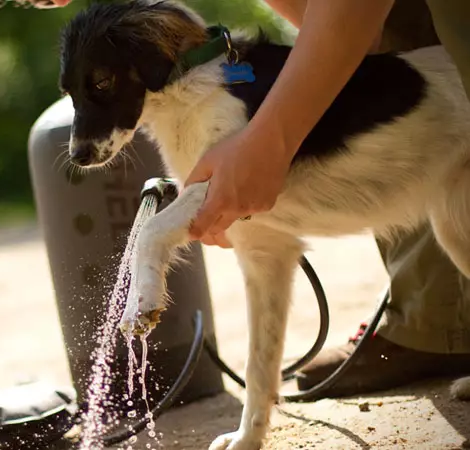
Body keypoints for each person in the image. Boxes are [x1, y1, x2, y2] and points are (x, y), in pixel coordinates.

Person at [46, 0, 470, 398]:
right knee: (457, 236)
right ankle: (433, 330)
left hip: (449, 92)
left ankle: (430, 328)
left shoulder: (220, 95)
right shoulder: (191, 101)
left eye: (101, 85)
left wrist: (154, 240)